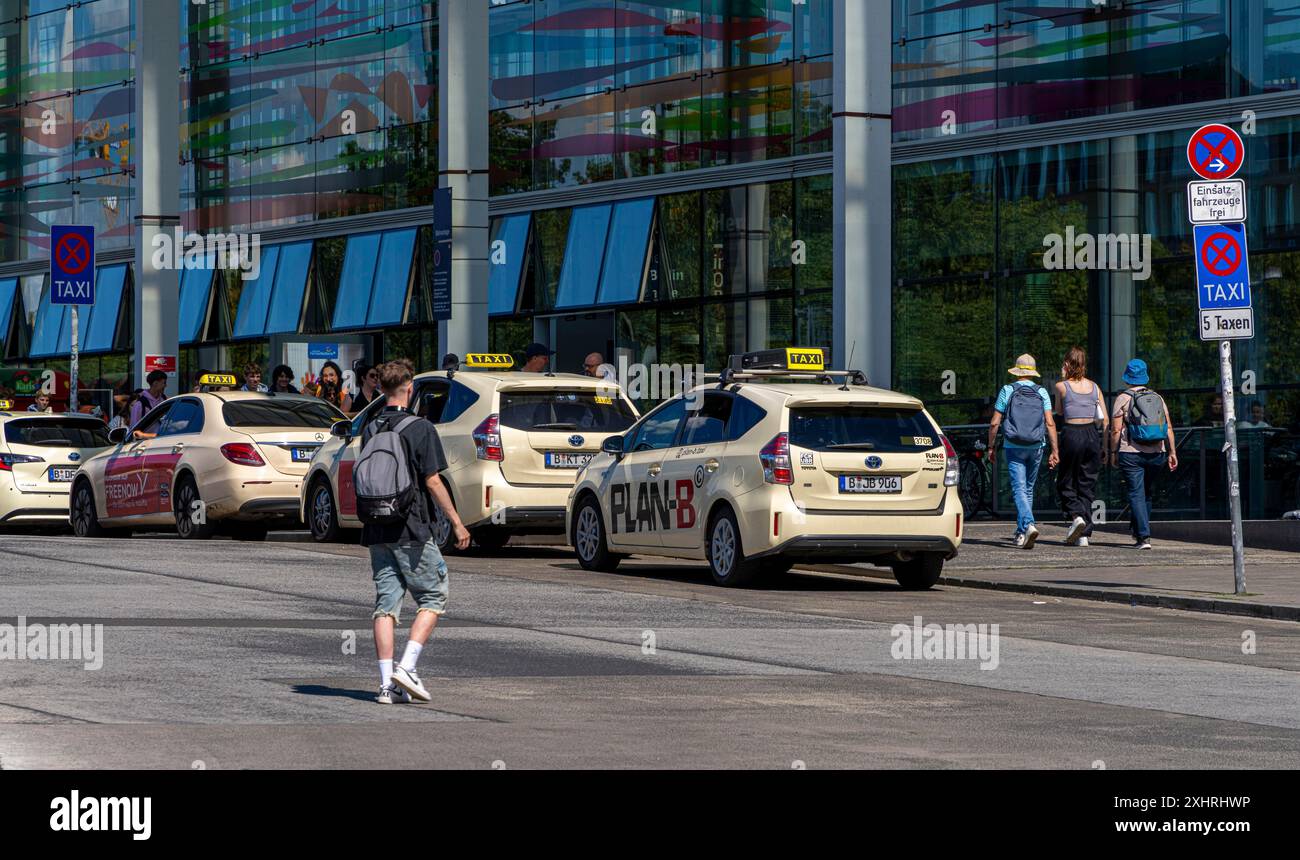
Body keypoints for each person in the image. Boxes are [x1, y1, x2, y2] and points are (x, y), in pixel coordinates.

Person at [362, 359, 470, 705]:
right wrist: (456, 521)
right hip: (411, 528)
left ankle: (385, 685)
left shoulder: (370, 426)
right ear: (409, 389)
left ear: (381, 390)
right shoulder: (421, 428)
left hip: (377, 528)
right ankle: (407, 667)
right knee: (433, 597)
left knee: (386, 606)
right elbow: (433, 481)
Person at [987, 354, 1059, 549]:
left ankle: (1027, 525)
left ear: (1016, 371)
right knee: (1027, 489)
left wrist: (991, 446)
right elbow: (1050, 423)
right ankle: (1021, 533)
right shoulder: (1042, 392)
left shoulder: (1007, 390)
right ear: (1033, 373)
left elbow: (995, 422)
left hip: (1013, 446)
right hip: (1036, 446)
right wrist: (1055, 450)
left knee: (1019, 489)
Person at [1109, 358, 1178, 550]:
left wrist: (1113, 452)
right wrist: (1172, 451)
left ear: (1128, 378)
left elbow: (1115, 430)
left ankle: (1143, 536)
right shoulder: (1158, 398)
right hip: (1157, 452)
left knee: (1136, 493)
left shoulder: (1123, 398)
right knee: (1147, 493)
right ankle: (1140, 531)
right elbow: (1168, 426)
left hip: (1131, 452)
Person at [1053, 346, 1107, 547]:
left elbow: (1059, 412)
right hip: (1092, 435)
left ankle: (1076, 516)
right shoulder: (1095, 387)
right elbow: (1105, 419)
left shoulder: (1061, 386)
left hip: (1072, 433)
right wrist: (1106, 446)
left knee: (1065, 480)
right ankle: (1083, 534)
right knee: (1086, 483)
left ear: (1067, 364)